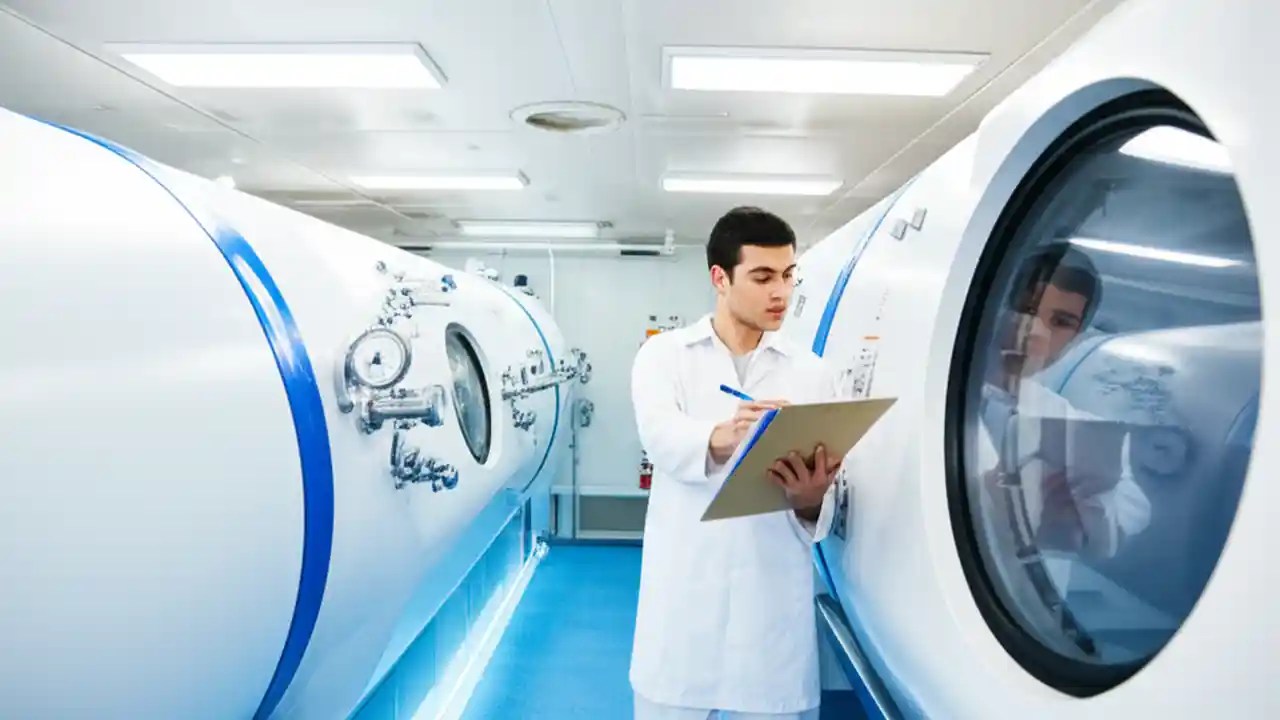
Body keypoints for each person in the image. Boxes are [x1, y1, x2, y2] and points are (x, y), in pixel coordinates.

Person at [629, 206, 843, 720]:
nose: (781, 293)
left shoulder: (811, 374)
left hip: (770, 610)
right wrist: (727, 436)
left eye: (789, 276)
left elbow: (828, 504)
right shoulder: (665, 357)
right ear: (720, 279)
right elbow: (659, 437)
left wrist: (810, 499)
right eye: (763, 276)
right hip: (683, 602)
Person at [972, 242, 1152, 652]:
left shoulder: (1075, 425)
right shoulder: (935, 400)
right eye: (1026, 308)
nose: (1035, 332)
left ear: (1075, 339)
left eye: (1062, 321)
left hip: (1028, 625)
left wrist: (1088, 513)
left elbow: (1133, 508)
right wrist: (982, 497)